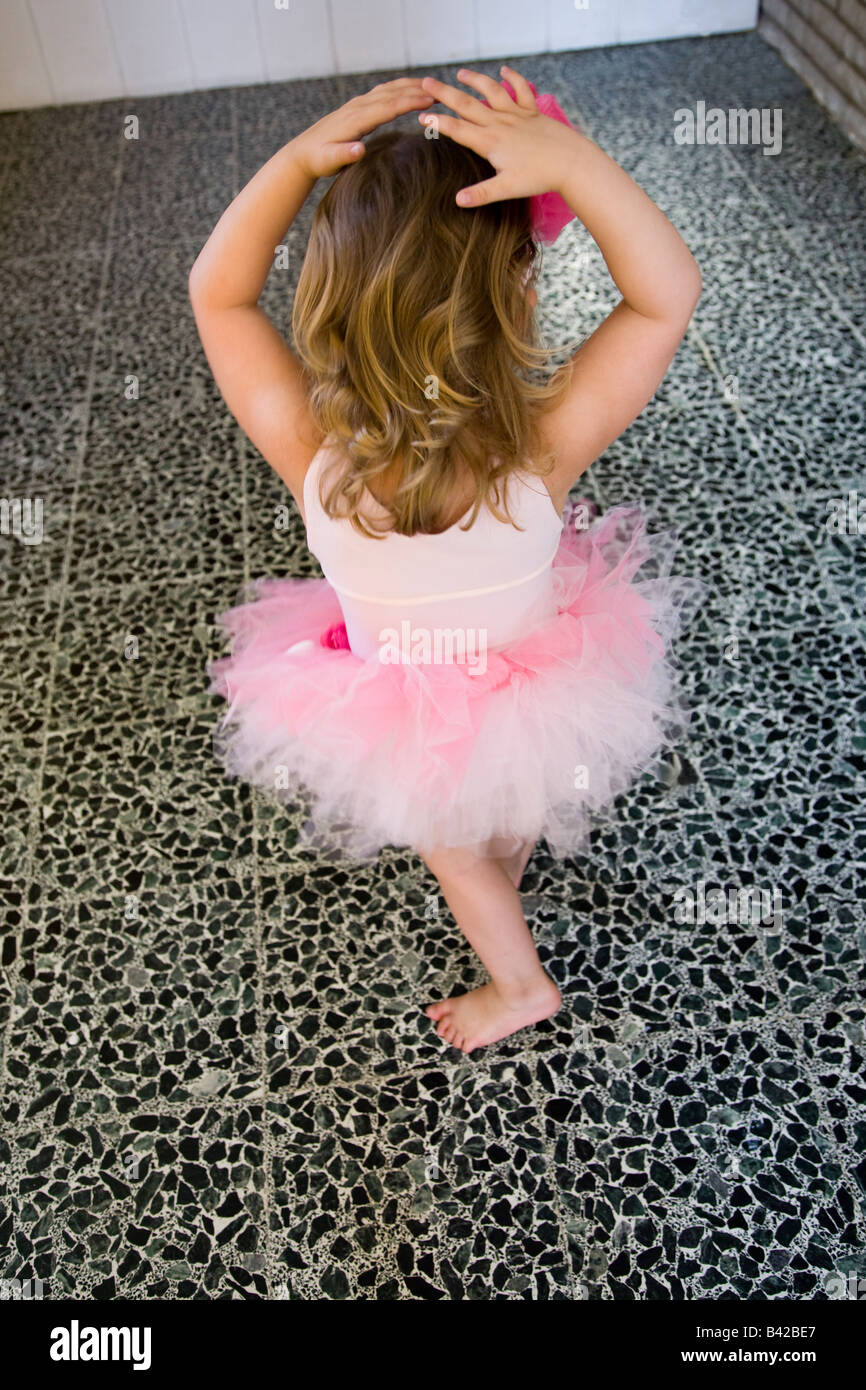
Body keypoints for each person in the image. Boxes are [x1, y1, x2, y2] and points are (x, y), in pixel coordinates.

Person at [189, 65, 705, 1056]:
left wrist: (294, 164)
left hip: (406, 710)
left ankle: (520, 986)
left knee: (452, 851)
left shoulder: (312, 452)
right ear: (517, 294)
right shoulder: (542, 446)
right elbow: (664, 296)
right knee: (508, 801)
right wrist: (576, 164)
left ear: (328, 299)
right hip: (538, 684)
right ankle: (506, 871)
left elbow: (219, 296)